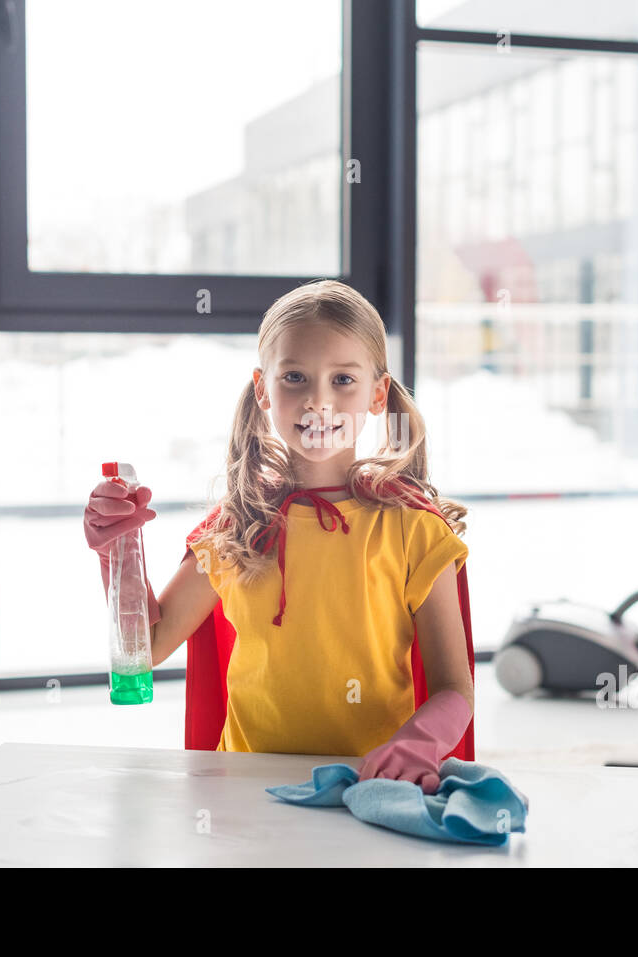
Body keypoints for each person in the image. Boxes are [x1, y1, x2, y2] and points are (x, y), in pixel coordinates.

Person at [83, 280, 475, 793]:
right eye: (294, 377)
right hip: (247, 792)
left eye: (342, 380)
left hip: (369, 792)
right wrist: (116, 550)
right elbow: (148, 647)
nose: (318, 401)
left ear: (378, 394)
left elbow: (454, 690)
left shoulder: (413, 530)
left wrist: (419, 740)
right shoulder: (234, 527)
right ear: (263, 388)